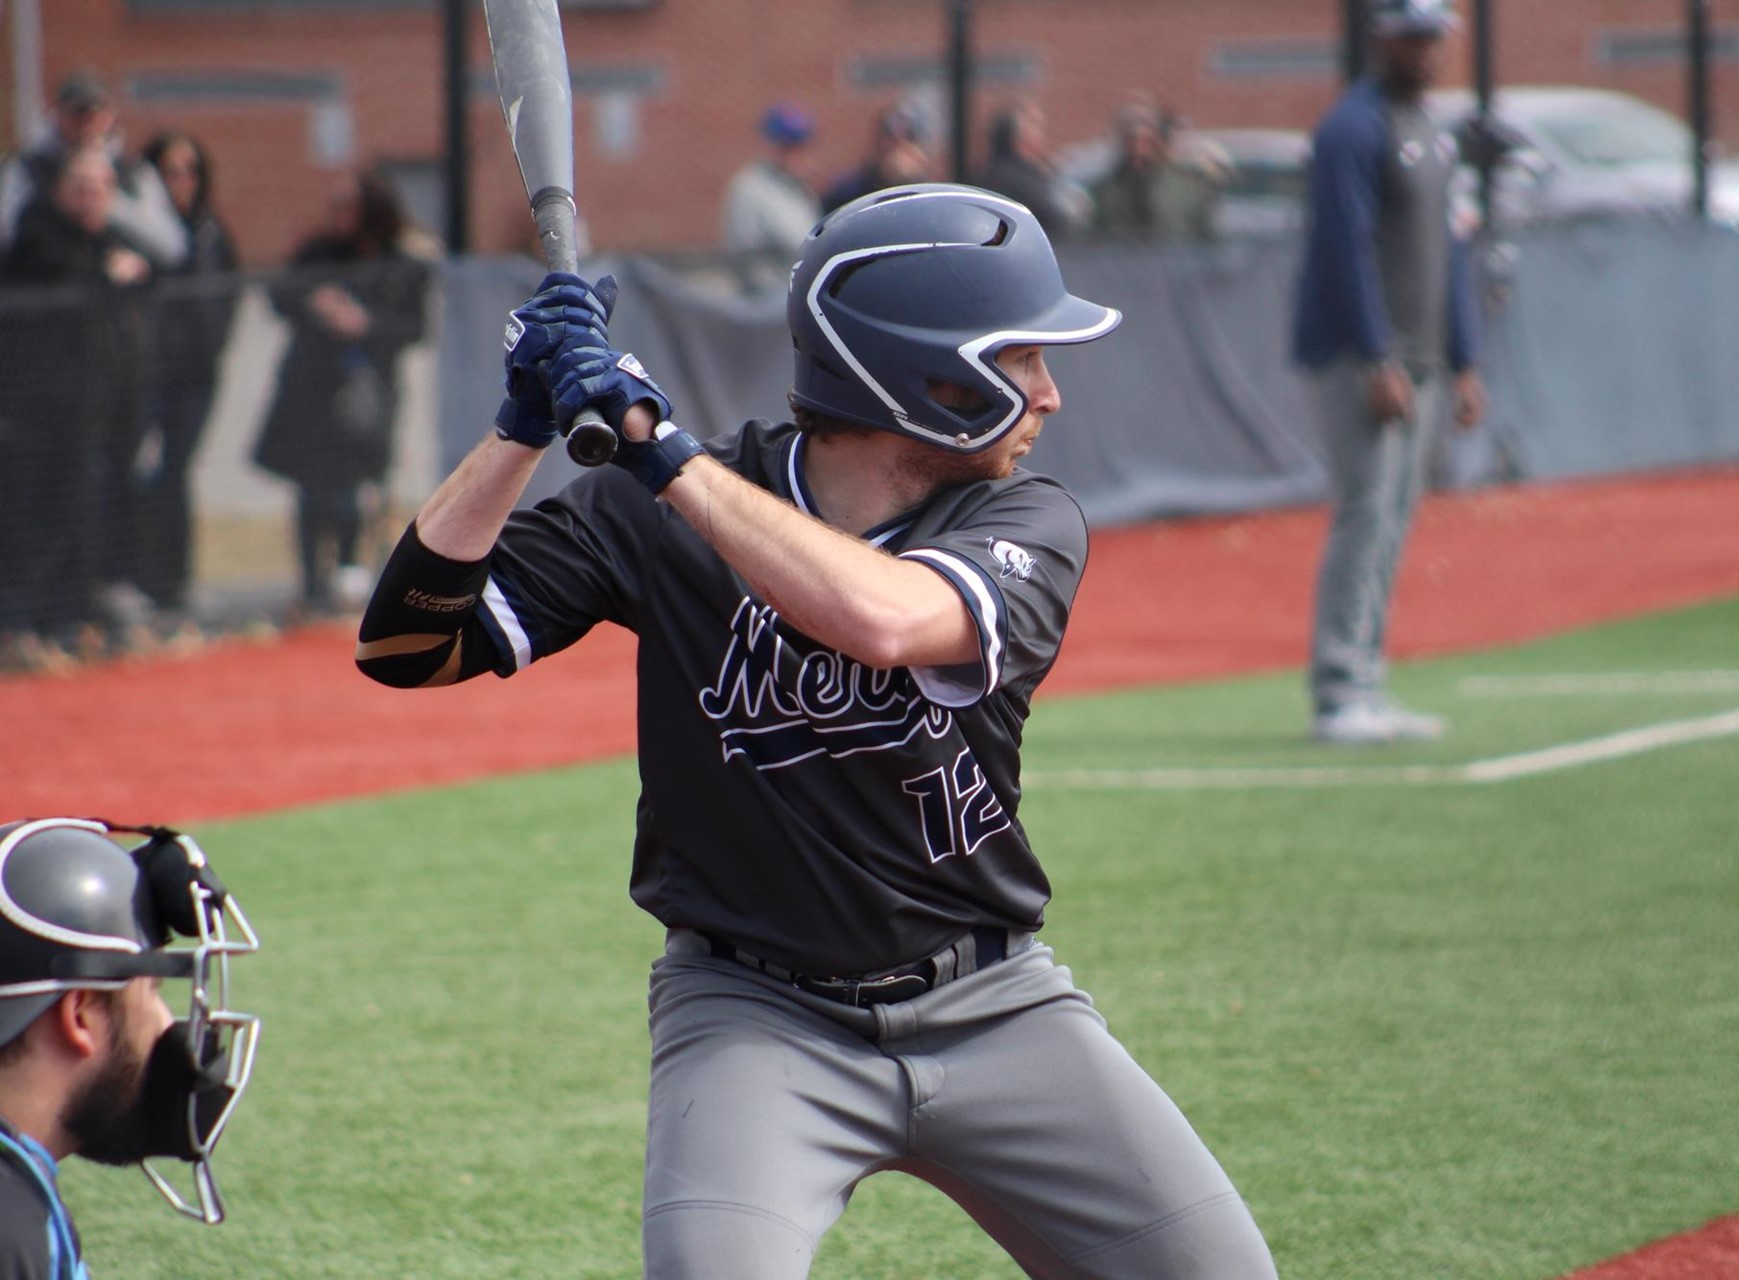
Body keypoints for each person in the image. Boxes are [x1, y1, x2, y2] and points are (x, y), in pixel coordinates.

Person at [355, 184, 1278, 1278]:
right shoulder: (663, 505)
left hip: (993, 1003)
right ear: (929, 376)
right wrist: (518, 430)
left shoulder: (1024, 518)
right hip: (755, 1015)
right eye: (1021, 358)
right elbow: (408, 645)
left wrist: (661, 452)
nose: (1051, 393)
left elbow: (884, 617)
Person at [1293, 0, 1487, 746]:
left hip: (1422, 359)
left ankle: (1367, 680)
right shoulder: (1353, 127)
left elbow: (1452, 250)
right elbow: (1343, 251)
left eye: (1433, 36)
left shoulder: (1432, 132)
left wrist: (1463, 358)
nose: (1426, 50)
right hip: (1364, 361)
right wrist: (1375, 355)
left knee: (1393, 521)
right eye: (1412, 36)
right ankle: (1339, 690)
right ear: (1382, 37)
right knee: (1364, 515)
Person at [0, 817, 262, 1274]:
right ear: (80, 1014)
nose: (166, 1024)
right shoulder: (10, 1232)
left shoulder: (21, 1199)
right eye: (154, 993)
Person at [253, 168, 429, 619]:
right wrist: (317, 303)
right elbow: (279, 295)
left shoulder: (400, 260)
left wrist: (365, 324)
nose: (339, 216)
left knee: (357, 487)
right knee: (312, 487)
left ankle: (351, 572)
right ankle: (312, 582)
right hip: (312, 392)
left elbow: (415, 327)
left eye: (347, 207)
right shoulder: (318, 253)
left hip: (368, 396)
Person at [1, 145, 156, 657]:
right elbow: (56, 277)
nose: (91, 199)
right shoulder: (37, 234)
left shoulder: (107, 239)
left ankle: (74, 621)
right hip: (39, 418)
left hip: (100, 415)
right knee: (37, 521)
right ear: (60, 191)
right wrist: (105, 275)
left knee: (86, 519)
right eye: (81, 188)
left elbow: (166, 257)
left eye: (101, 189)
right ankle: (31, 627)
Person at [134, 131, 240, 625]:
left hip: (196, 373)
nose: (182, 182)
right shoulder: (141, 230)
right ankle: (139, 577)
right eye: (171, 171)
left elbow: (230, 294)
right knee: (141, 471)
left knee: (175, 471)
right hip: (145, 373)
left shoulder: (211, 231)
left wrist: (213, 341)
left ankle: (173, 580)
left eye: (190, 170)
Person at [0, 70, 186, 270]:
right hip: (46, 287)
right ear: (59, 116)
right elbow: (7, 235)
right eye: (78, 115)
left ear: (109, 116)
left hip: (123, 292)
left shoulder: (134, 172)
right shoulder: (26, 169)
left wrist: (111, 206)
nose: (87, 125)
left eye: (95, 116)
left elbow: (172, 246)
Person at [1087, 96, 1220, 240]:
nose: (1138, 147)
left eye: (1146, 139)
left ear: (1160, 138)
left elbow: (1207, 240)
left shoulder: (1190, 187)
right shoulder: (1106, 192)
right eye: (1131, 138)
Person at [718, 102, 820, 283]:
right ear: (770, 145)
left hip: (796, 295)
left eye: (802, 145)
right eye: (788, 146)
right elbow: (747, 260)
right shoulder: (749, 188)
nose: (798, 154)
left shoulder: (798, 188)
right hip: (767, 301)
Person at [976, 98, 1088, 238]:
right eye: (1036, 127)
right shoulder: (1009, 178)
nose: (1042, 135)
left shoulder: (1034, 174)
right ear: (1020, 138)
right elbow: (1053, 217)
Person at [819, 105, 931, 213]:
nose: (898, 147)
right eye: (890, 138)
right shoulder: (847, 192)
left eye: (909, 137)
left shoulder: (932, 195)